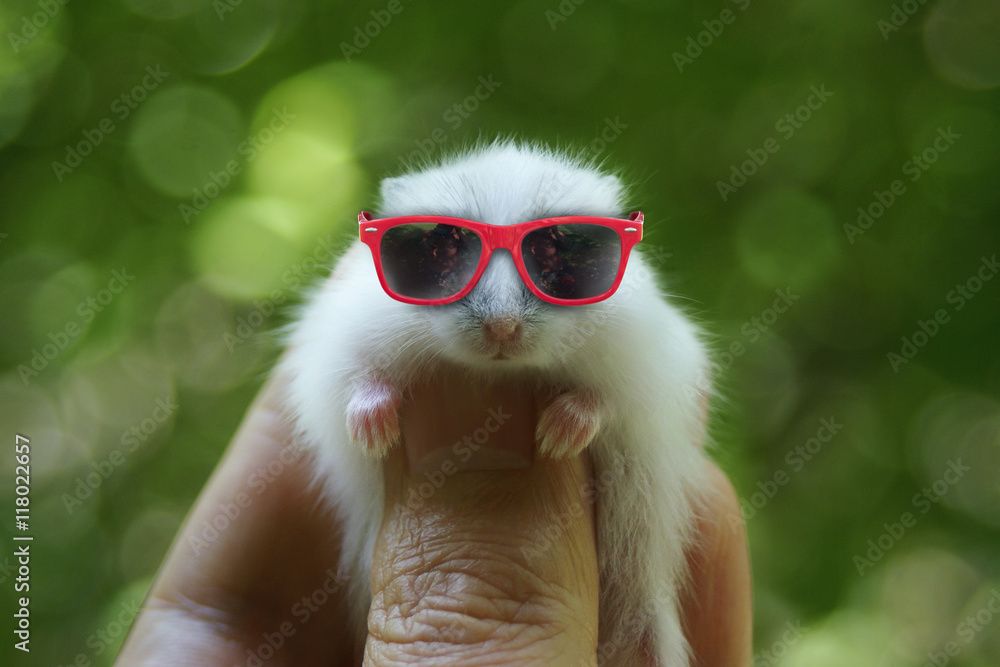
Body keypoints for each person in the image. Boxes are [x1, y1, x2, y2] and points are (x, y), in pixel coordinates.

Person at [115, 367, 752, 666]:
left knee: (648, 620)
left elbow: (667, 372)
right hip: (375, 595)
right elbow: (326, 369)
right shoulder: (372, 310)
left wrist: (593, 403)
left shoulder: (627, 321)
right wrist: (365, 395)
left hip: (615, 574)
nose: (503, 323)